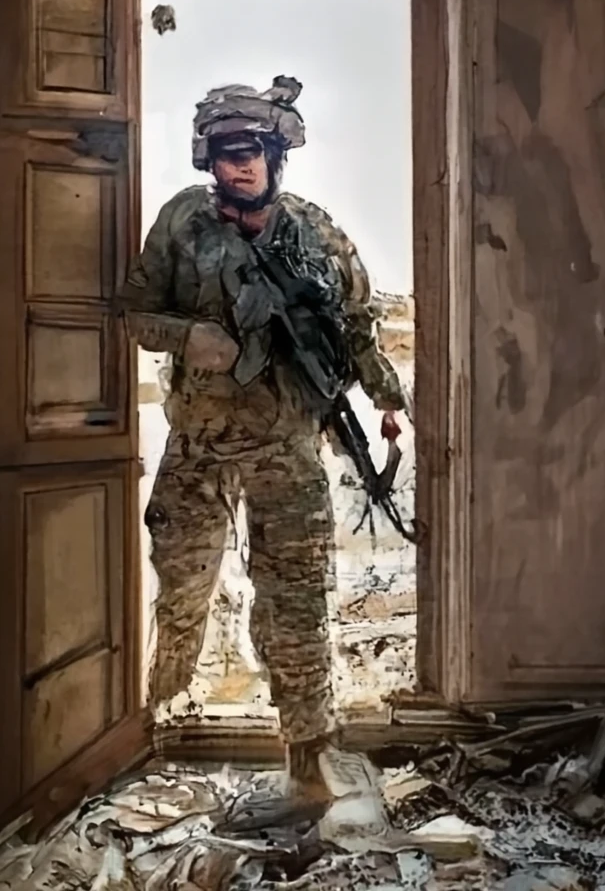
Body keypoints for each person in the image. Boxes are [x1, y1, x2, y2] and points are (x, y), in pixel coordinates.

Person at [117, 76, 411, 804]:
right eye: (226, 154)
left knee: (297, 600)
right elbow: (132, 311)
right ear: (207, 160)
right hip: (199, 448)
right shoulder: (183, 224)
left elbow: (356, 326)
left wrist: (385, 400)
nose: (239, 166)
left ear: (277, 155)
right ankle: (155, 716)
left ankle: (306, 754)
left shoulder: (315, 234)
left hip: (287, 449)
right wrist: (193, 337)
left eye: (252, 153)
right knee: (180, 587)